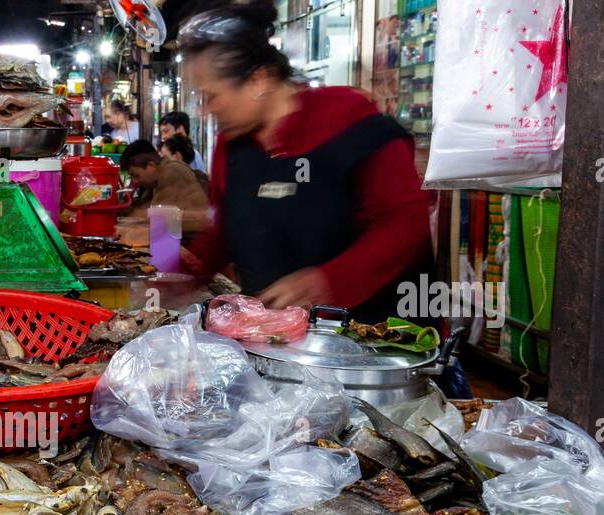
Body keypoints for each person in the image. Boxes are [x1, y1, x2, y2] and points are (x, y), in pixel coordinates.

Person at [179, 1, 434, 326]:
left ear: (258, 80)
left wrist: (325, 282)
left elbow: (406, 223)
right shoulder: (231, 148)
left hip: (373, 339)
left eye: (211, 96)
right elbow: (223, 232)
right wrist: (170, 276)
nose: (204, 110)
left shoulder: (346, 118)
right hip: (277, 343)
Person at [120, 140, 210, 232]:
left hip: (192, 240)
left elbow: (159, 217)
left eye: (135, 175)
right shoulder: (155, 179)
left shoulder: (172, 171)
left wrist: (135, 214)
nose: (134, 181)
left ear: (150, 165)